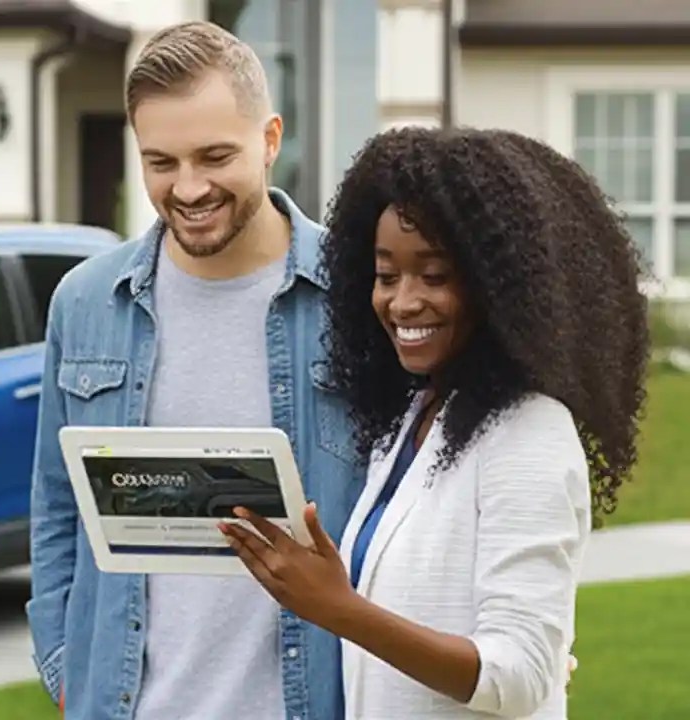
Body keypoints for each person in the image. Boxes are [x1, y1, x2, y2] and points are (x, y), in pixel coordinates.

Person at [219, 125, 649, 718]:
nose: (402, 302)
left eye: (435, 276)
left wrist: (341, 609)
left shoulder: (530, 433)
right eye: (386, 275)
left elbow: (520, 674)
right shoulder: (414, 418)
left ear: (500, 287)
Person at [25, 20, 365, 720]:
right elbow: (58, 509)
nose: (188, 188)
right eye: (161, 162)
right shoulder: (84, 304)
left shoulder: (358, 295)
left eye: (215, 156)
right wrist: (63, 663)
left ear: (270, 140)